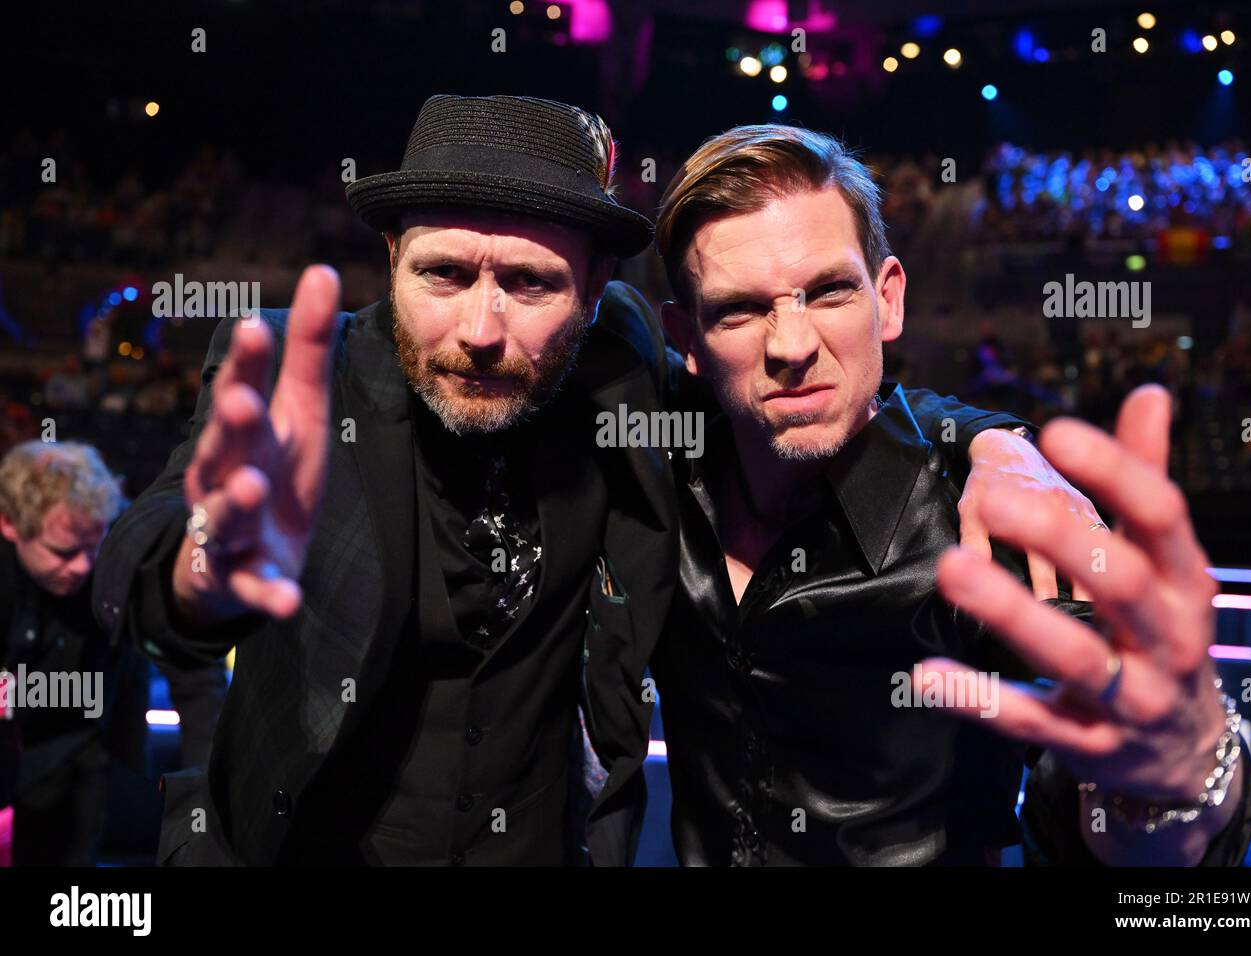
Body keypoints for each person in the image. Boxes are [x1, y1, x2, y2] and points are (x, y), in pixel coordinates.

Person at [93, 95, 1093, 867]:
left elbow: (810, 389)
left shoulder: (622, 374)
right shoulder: (291, 382)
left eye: (529, 284)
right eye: (443, 273)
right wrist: (201, 569)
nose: (482, 329)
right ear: (390, 258)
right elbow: (134, 573)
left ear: (592, 298)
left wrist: (999, 441)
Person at [650, 124, 1251, 866]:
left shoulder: (983, 527)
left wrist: (1175, 787)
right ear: (685, 336)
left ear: (889, 299)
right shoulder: (654, 484)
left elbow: (1128, 815)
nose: (791, 345)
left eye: (831, 291)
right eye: (740, 310)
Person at [0, 440, 147, 865]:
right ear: (10, 525)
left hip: (78, 748)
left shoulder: (118, 560)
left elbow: (115, 685)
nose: (84, 567)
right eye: (64, 552)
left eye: (92, 547)